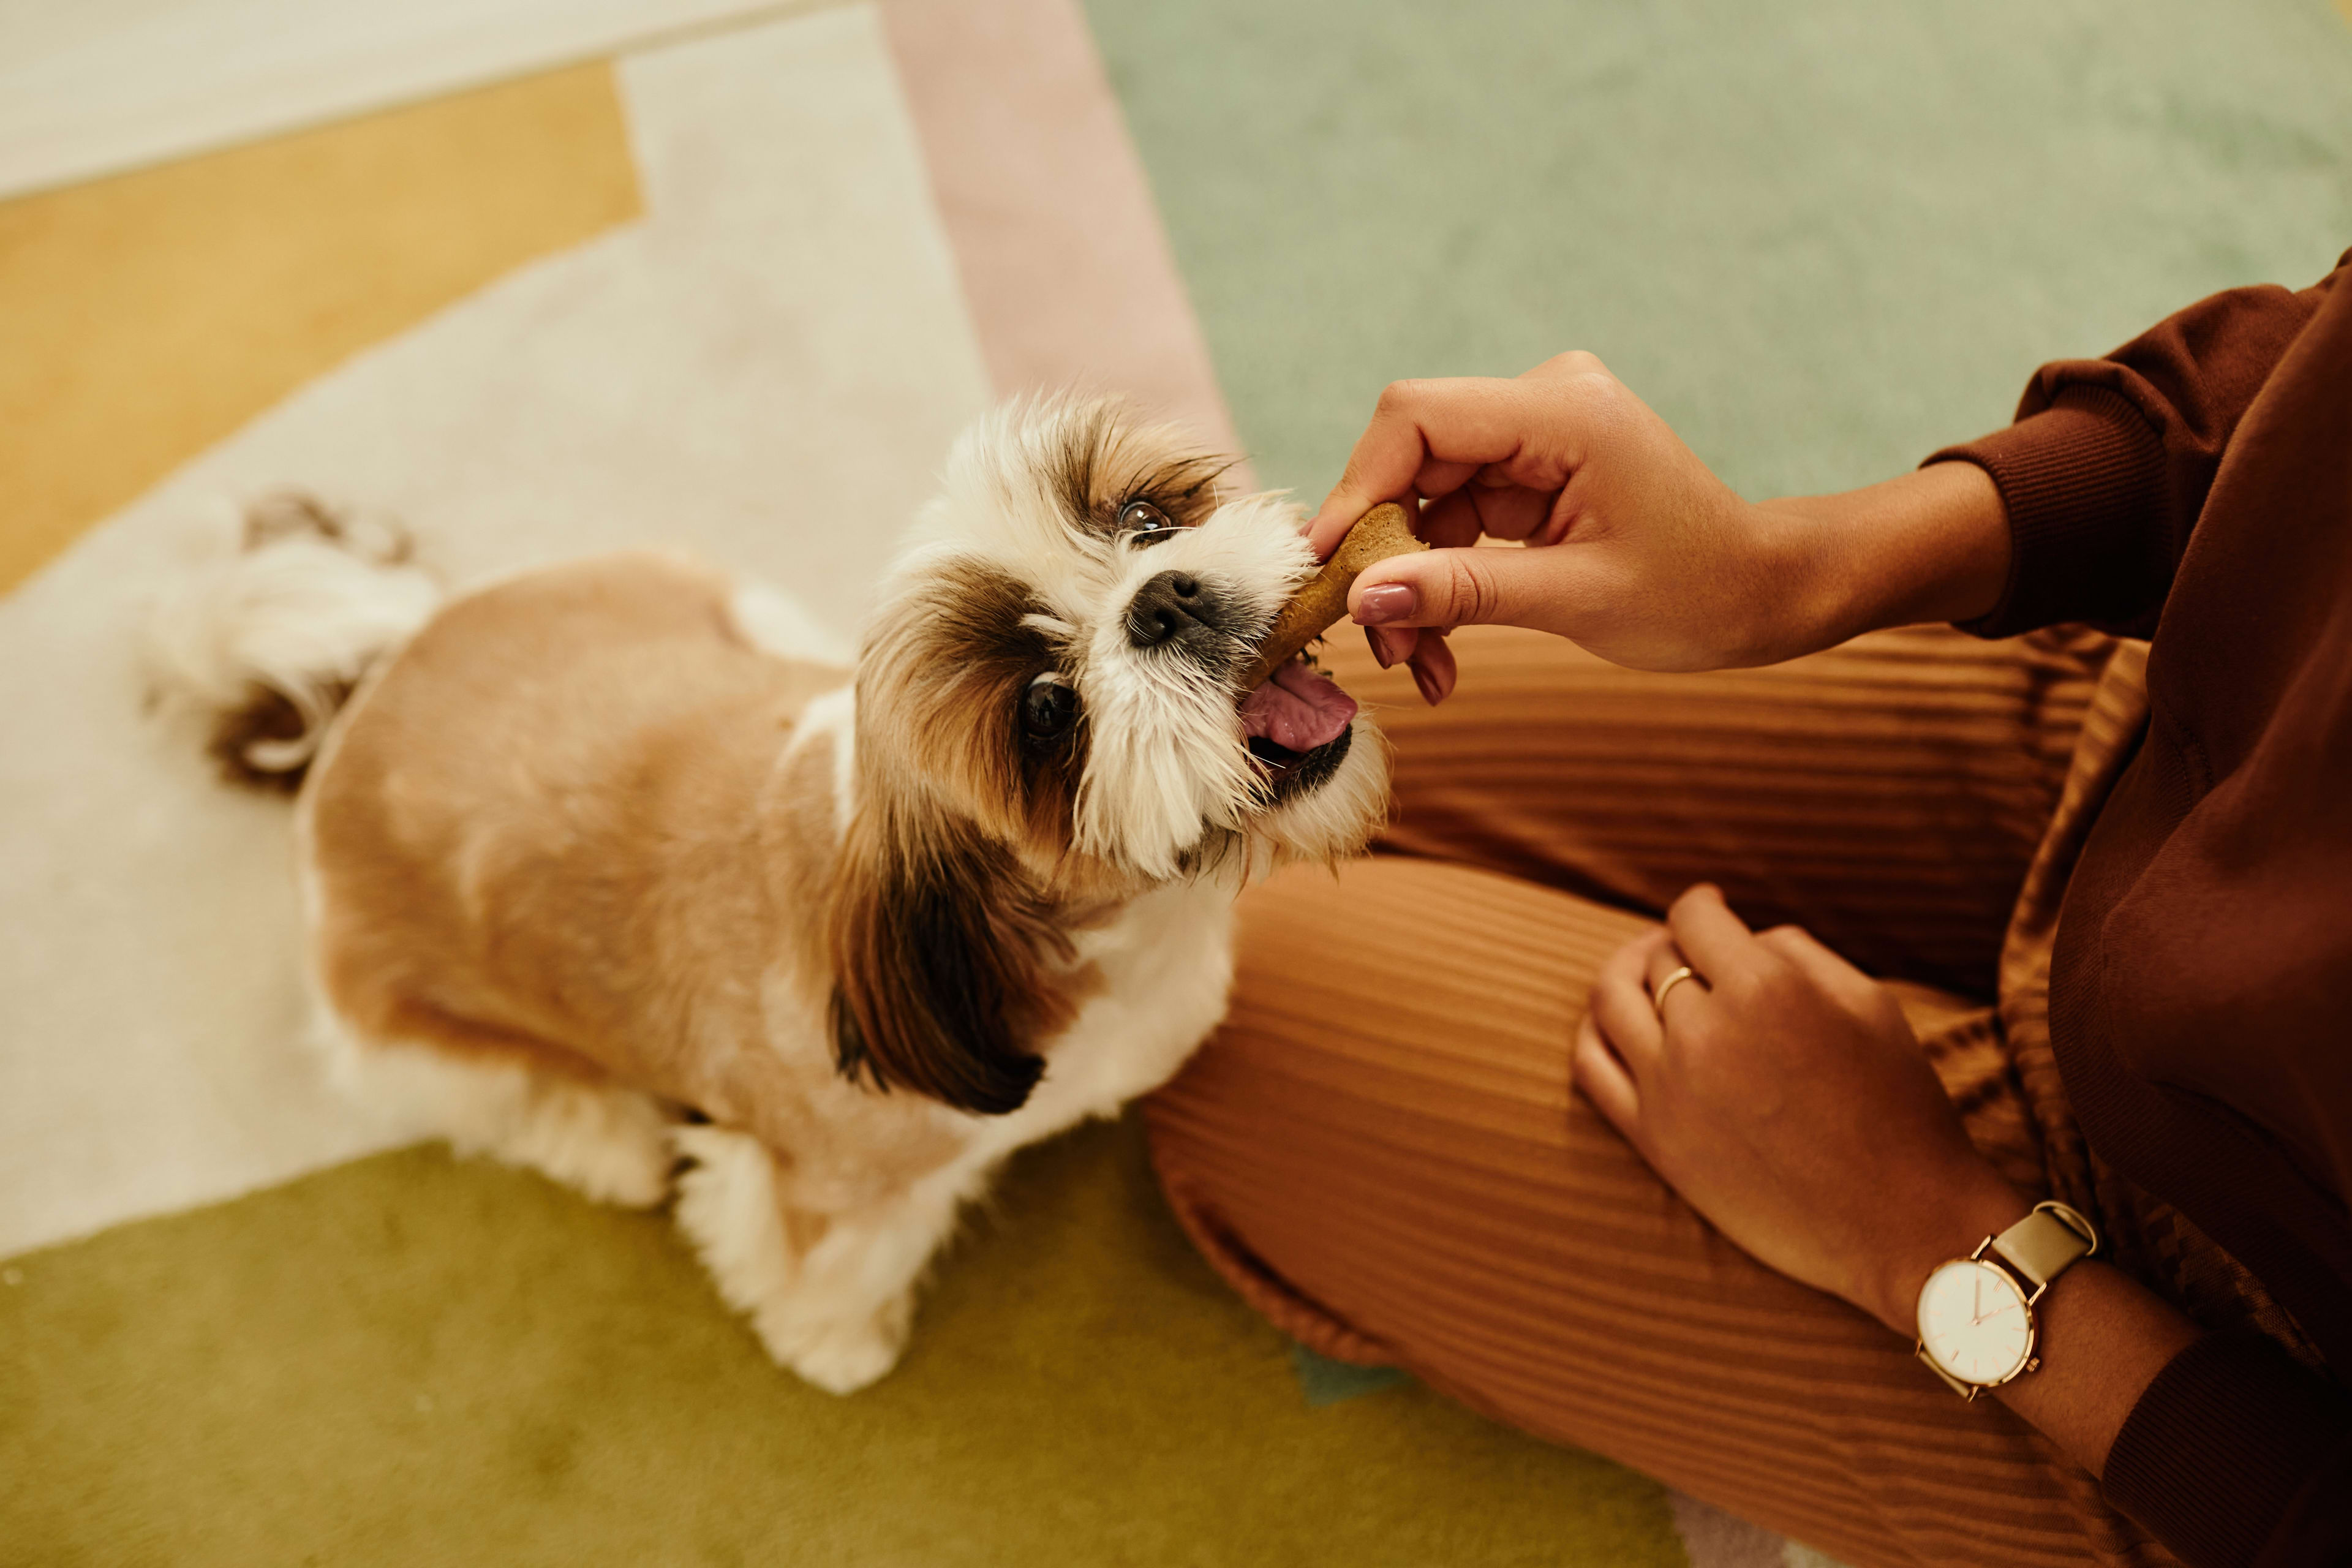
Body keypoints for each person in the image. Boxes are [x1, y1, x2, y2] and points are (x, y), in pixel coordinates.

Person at [1145, 250, 2352, 1568]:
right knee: (1273, 778)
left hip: (2237, 1378)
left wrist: (1930, 1237)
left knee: (1212, 1001)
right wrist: (1787, 569)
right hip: (2193, 745)